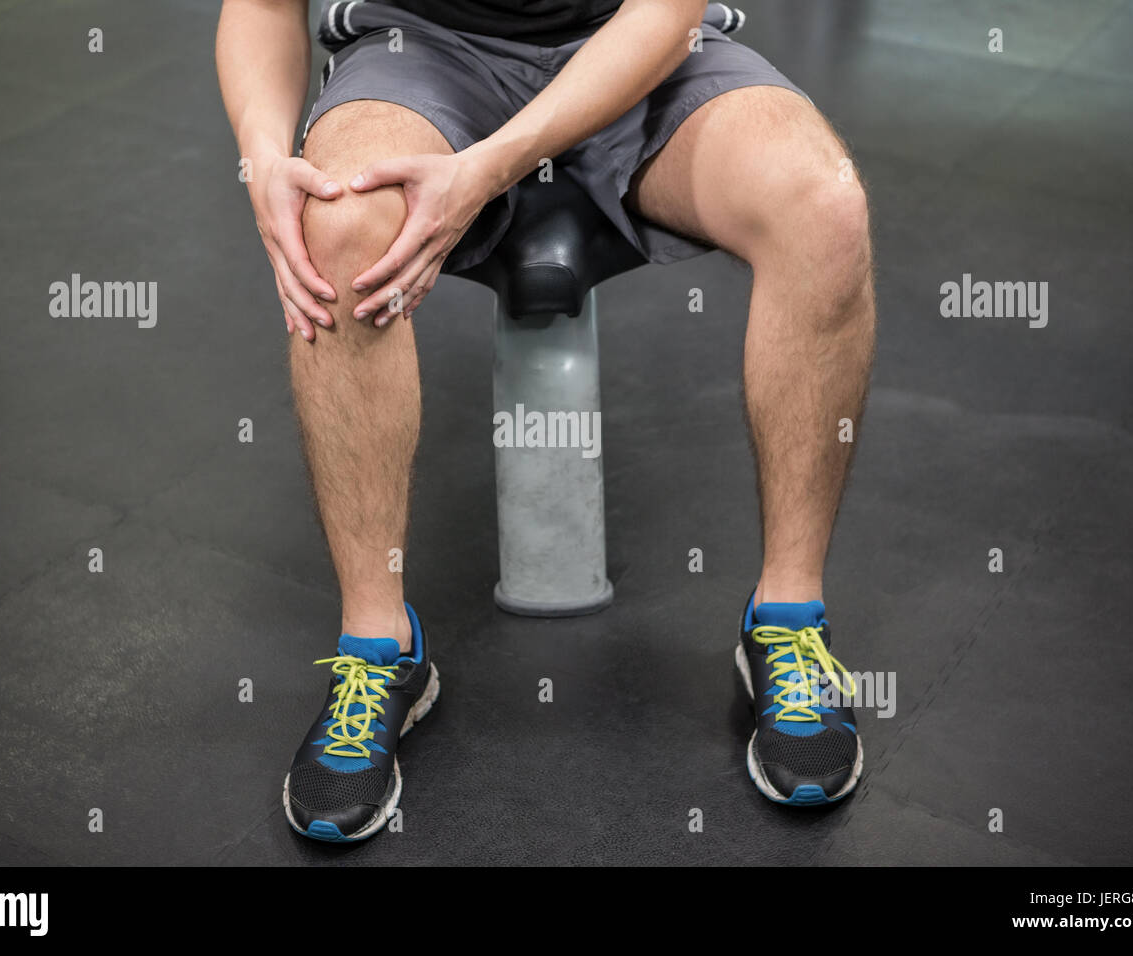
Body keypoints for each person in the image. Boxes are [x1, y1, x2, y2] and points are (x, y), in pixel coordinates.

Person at [216, 0, 875, 842]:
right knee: (337, 226)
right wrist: (264, 160)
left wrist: (494, 164)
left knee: (825, 207)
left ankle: (788, 620)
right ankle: (380, 650)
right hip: (418, 47)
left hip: (648, 48)